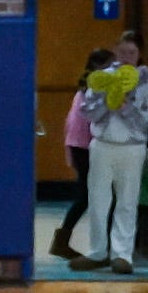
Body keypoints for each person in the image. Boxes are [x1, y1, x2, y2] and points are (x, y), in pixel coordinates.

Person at [70, 33, 148, 276]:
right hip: (102, 144)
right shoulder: (102, 78)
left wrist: (126, 109)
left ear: (139, 54)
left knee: (127, 201)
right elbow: (86, 111)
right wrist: (106, 103)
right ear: (115, 51)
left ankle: (122, 254)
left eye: (131, 53)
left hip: (133, 146)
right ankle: (98, 251)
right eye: (121, 52)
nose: (125, 58)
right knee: (98, 200)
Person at [48, 46, 112, 263]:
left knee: (90, 196)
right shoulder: (94, 87)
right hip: (85, 147)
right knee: (90, 196)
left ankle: (64, 240)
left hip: (78, 145)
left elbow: (71, 121)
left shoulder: (83, 86)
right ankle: (66, 241)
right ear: (98, 66)